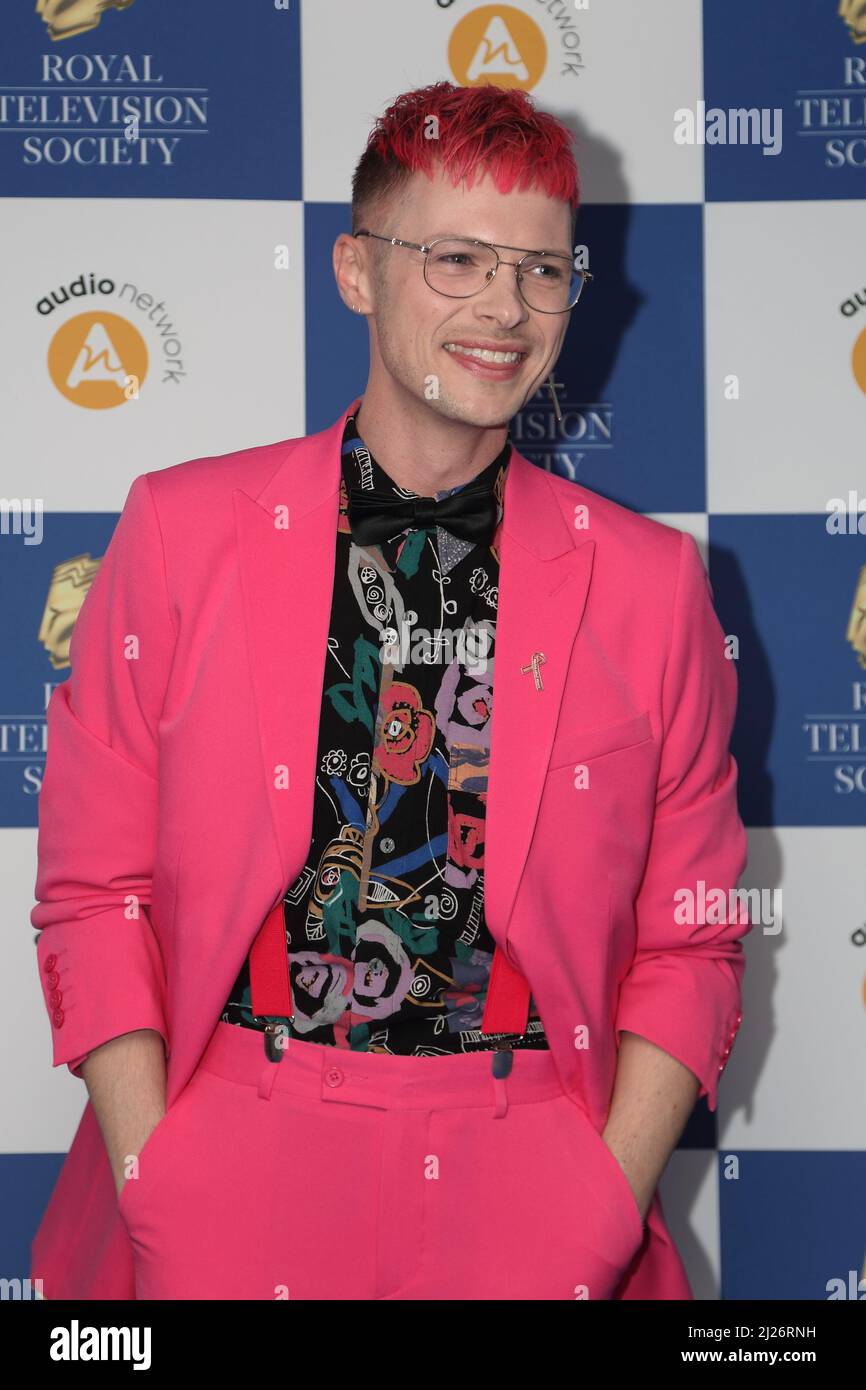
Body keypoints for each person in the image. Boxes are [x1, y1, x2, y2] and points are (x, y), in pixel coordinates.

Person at [31, 81, 750, 1301]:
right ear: (356, 270)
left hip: (531, 1166)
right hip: (233, 1144)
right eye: (457, 259)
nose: (503, 310)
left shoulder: (651, 581)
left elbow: (692, 937)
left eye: (538, 269)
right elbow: (93, 888)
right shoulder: (179, 531)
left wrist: (604, 1190)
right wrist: (156, 1165)